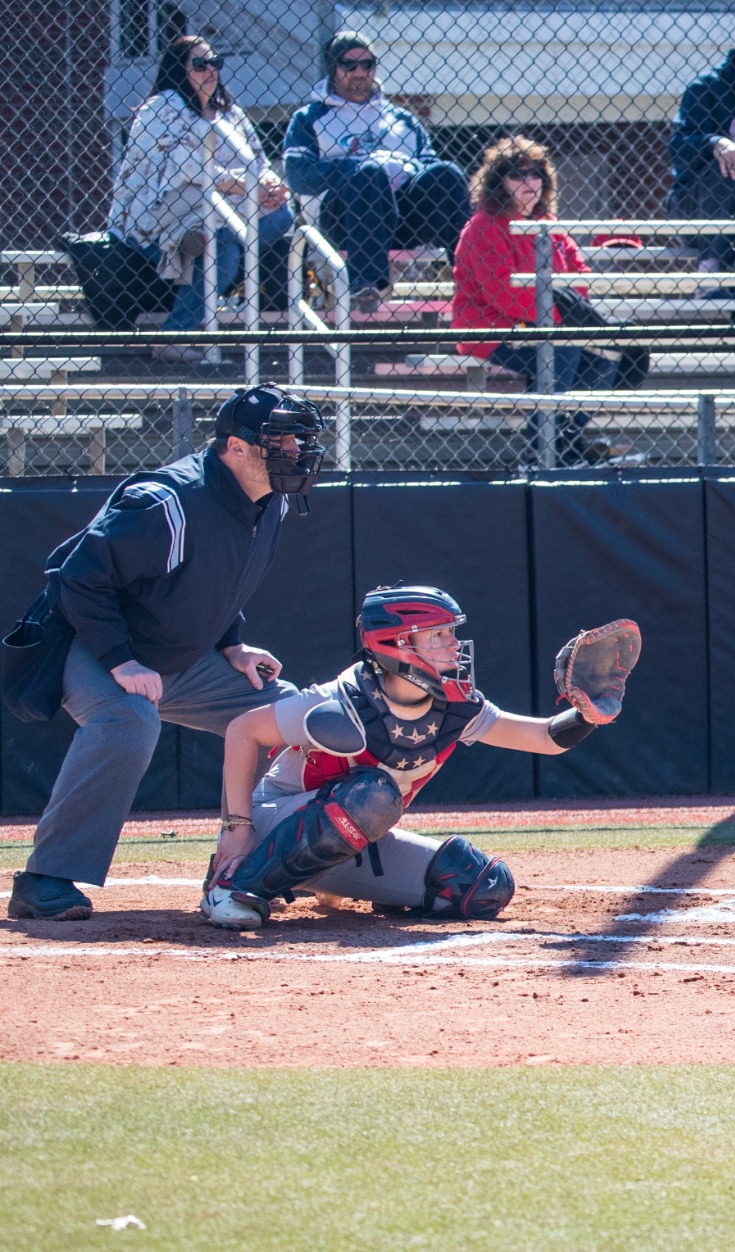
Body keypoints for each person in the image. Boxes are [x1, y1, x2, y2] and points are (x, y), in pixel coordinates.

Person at [6, 387, 324, 922]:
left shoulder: (271, 499)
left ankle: (243, 864)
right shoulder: (167, 502)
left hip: (174, 657)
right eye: (280, 440)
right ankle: (44, 878)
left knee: (285, 712)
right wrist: (120, 661)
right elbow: (76, 578)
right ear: (236, 447)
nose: (295, 450)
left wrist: (233, 645)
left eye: (299, 439)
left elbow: (216, 583)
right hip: (89, 643)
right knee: (126, 719)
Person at [199, 589, 639, 930]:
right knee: (372, 796)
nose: (454, 644)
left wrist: (588, 715)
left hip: (353, 834)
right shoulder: (340, 704)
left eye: (451, 632)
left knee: (481, 887)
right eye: (439, 634)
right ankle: (232, 888)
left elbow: (542, 737)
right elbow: (243, 731)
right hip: (276, 821)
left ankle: (333, 881)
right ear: (397, 643)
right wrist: (238, 830)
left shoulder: (455, 704)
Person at [107, 35, 294, 364]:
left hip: (221, 215)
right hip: (155, 221)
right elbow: (183, 166)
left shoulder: (229, 114)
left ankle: (222, 239)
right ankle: (173, 337)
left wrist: (272, 186)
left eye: (215, 63)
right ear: (179, 70)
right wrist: (244, 185)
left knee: (281, 217)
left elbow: (259, 162)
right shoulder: (160, 107)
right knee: (222, 249)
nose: (210, 70)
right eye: (199, 64)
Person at [452, 136, 629, 467]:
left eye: (536, 175)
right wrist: (557, 317)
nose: (529, 183)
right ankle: (538, 453)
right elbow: (501, 293)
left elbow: (579, 276)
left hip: (547, 325)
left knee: (609, 351)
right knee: (561, 348)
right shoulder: (483, 226)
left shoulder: (548, 224)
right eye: (517, 175)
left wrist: (562, 316)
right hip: (490, 328)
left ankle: (563, 443)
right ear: (498, 182)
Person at [283, 32, 470, 305]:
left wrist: (403, 169)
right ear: (333, 68)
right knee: (369, 172)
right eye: (350, 65)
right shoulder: (309, 118)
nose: (360, 72)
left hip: (401, 218)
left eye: (367, 64)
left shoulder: (401, 119)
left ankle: (468, 273)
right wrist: (352, 169)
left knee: (447, 173)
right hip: (341, 219)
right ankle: (368, 283)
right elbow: (298, 176)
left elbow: (429, 168)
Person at [667, 15, 735, 271]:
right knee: (729, 164)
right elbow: (678, 146)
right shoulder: (706, 88)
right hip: (692, 210)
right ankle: (710, 270)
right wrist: (715, 144)